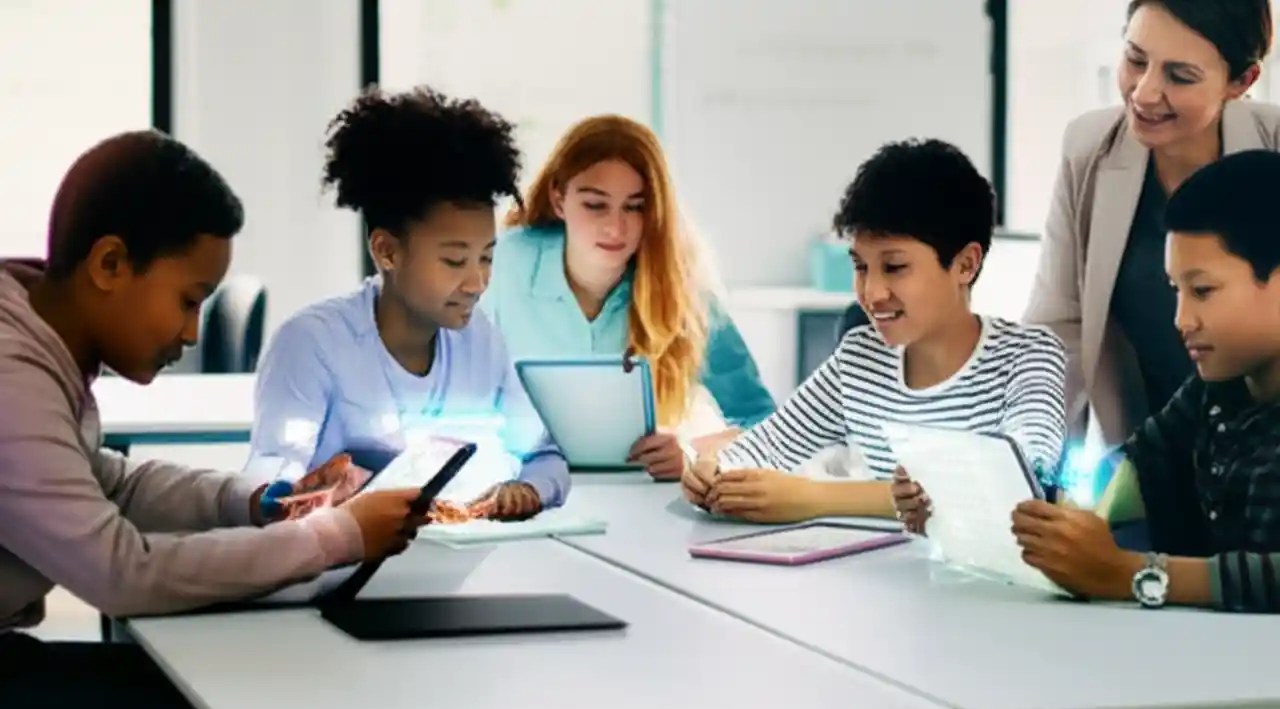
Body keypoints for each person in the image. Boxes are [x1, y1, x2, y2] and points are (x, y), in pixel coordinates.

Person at [0, 131, 426, 709]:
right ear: (110, 264)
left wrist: (261, 502)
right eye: (188, 299)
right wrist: (338, 536)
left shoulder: (36, 340)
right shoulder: (9, 374)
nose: (192, 333)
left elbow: (111, 486)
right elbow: (121, 572)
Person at [682, 139, 1067, 524]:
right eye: (861, 267)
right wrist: (712, 470)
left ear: (965, 265)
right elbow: (765, 447)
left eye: (895, 267)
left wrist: (818, 498)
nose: (872, 293)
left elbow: (1018, 481)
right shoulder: (859, 358)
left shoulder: (1028, 356)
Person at [248, 86, 569, 518]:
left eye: (487, 257)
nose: (477, 282)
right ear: (387, 252)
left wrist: (527, 489)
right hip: (341, 573)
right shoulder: (312, 343)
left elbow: (544, 457)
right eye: (455, 260)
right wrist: (296, 495)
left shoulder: (479, 339)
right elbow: (270, 473)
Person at [1013, 150, 1280, 613]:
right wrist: (1054, 520)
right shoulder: (1217, 390)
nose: (1182, 320)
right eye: (1176, 291)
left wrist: (1133, 573)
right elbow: (1139, 464)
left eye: (1202, 291)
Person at [1024, 0, 1278, 451]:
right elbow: (1057, 327)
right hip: (1150, 451)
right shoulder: (1090, 149)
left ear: (1242, 81)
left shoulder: (1273, 148)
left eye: (1179, 76)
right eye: (1136, 60)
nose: (1143, 93)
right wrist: (1036, 460)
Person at [484, 115, 775, 480]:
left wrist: (689, 452)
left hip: (635, 496)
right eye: (595, 205)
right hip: (518, 486)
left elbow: (764, 424)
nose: (615, 227)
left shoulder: (682, 290)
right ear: (560, 199)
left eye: (634, 206)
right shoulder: (499, 263)